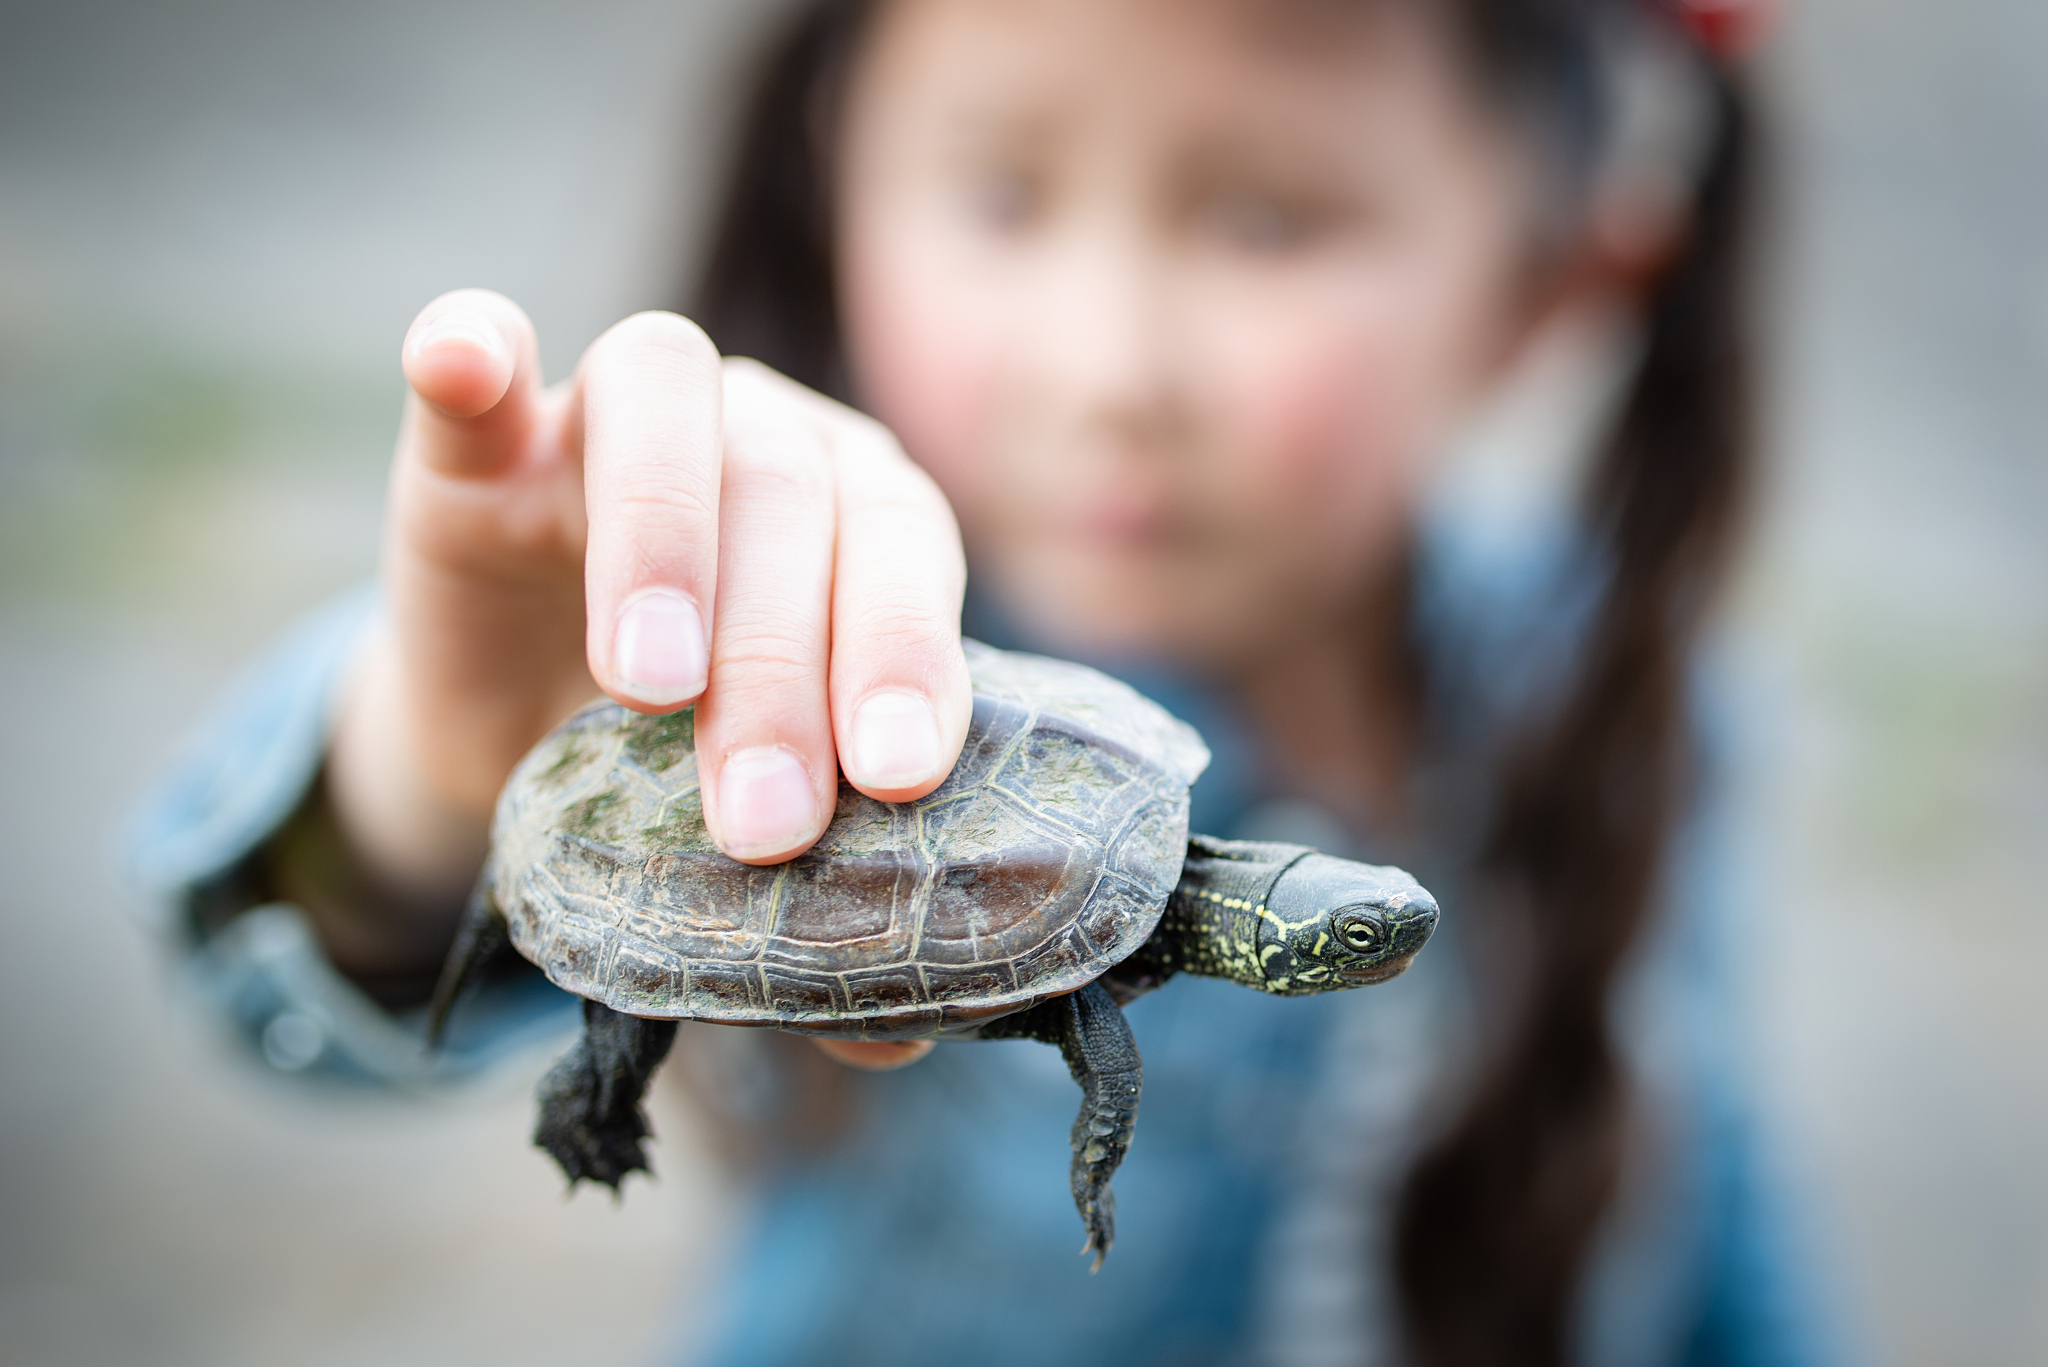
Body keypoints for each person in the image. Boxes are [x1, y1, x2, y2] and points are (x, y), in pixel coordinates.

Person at [124, 0, 1838, 1362]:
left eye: (1268, 221)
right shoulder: (849, 681)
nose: (1111, 366)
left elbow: (1706, 1229)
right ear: (837, 163)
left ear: (1550, 284)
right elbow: (295, 977)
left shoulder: (1635, 711)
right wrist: (441, 770)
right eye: (1004, 191)